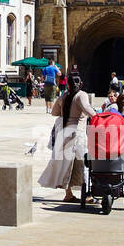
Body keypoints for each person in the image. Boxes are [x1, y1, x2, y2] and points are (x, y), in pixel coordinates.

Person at [39, 73, 95, 202]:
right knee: (82, 164)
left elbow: (54, 112)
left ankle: (68, 194)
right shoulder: (82, 95)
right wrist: (97, 116)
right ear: (80, 84)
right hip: (77, 134)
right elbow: (86, 108)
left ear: (68, 85)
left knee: (66, 165)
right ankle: (86, 195)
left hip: (63, 134)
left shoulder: (63, 96)